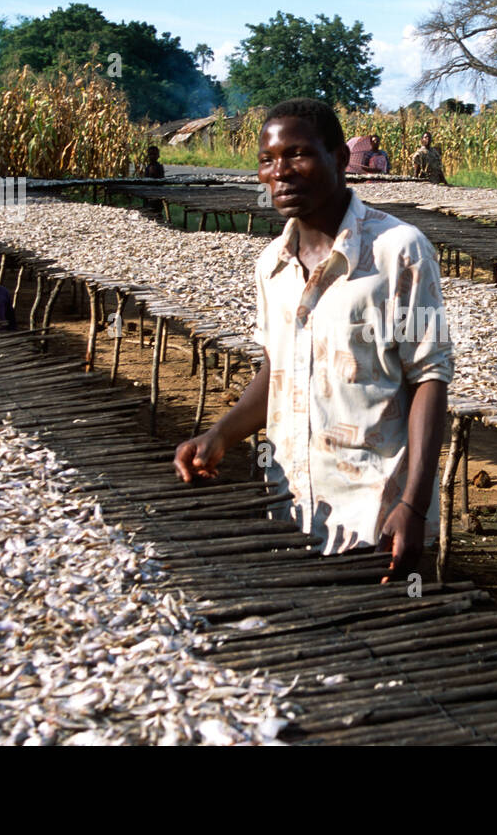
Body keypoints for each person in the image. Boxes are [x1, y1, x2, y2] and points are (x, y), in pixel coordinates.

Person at [174, 98, 452, 581]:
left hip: (374, 512)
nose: (280, 172)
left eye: (298, 154)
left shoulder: (398, 250)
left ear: (340, 158)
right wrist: (221, 433)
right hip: (291, 505)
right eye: (267, 160)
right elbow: (277, 370)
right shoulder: (271, 266)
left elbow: (429, 378)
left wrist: (413, 501)